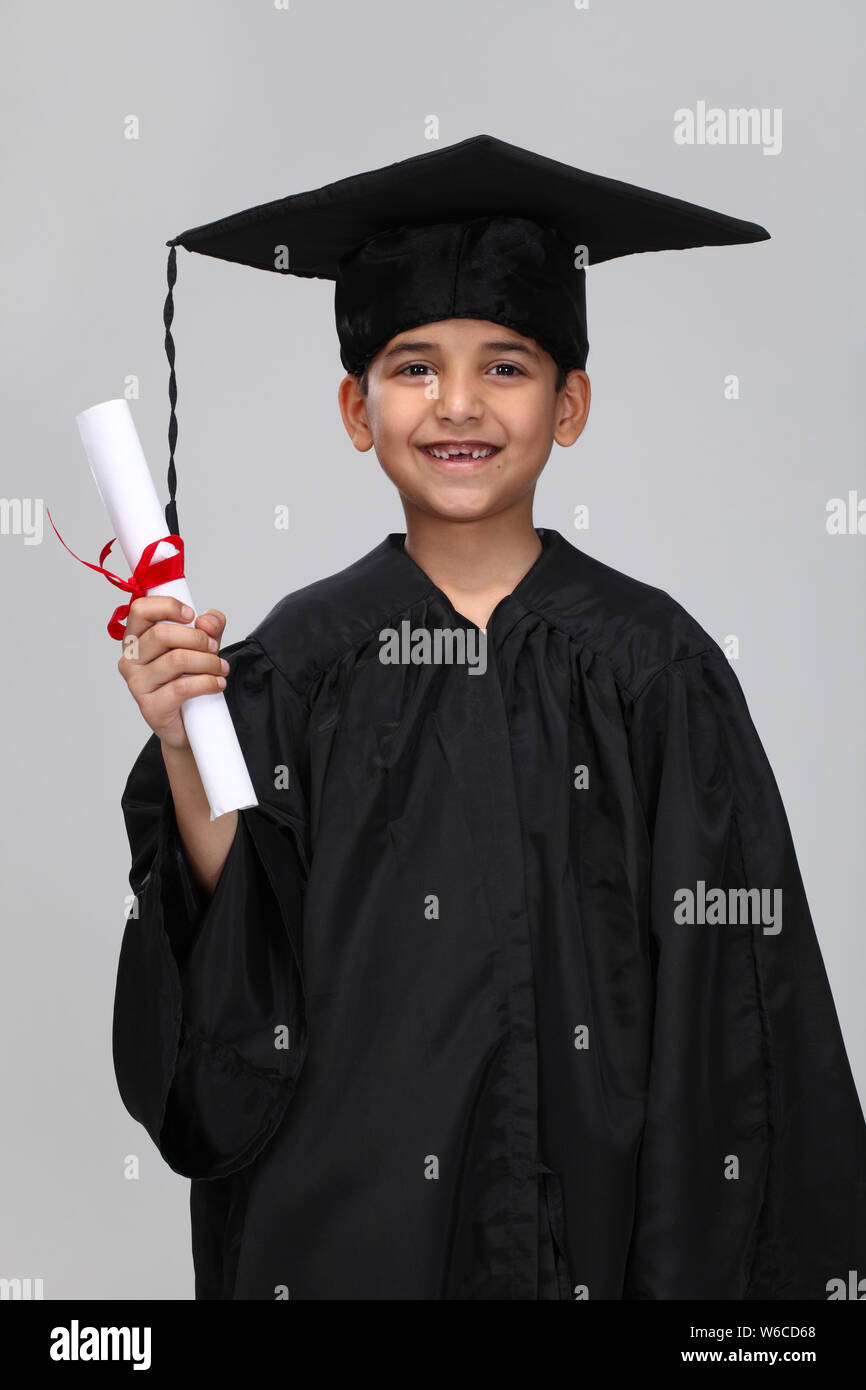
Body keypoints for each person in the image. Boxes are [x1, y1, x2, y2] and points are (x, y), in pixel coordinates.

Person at [113, 136, 866, 1300]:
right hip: (348, 1233)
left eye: (505, 367)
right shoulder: (291, 665)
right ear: (356, 410)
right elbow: (236, 962)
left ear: (567, 406)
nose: (456, 404)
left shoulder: (651, 664)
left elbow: (741, 1005)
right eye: (411, 367)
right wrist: (180, 741)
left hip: (602, 1226)